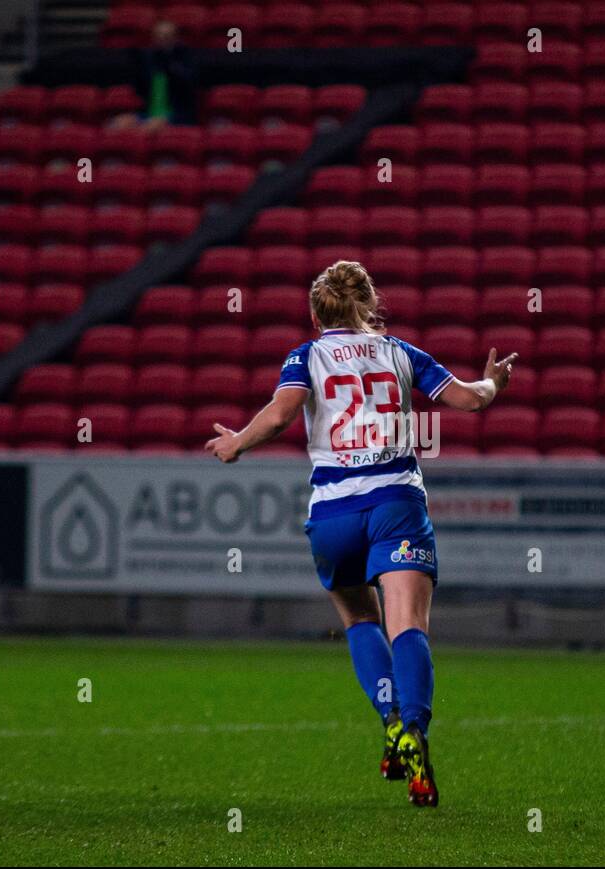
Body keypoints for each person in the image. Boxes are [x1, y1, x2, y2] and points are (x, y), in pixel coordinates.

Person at [206, 261, 518, 807]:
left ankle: (391, 720)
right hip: (395, 502)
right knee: (409, 626)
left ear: (313, 314)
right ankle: (415, 729)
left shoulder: (305, 355)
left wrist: (237, 442)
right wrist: (495, 380)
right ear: (370, 305)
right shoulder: (400, 351)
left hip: (334, 515)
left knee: (357, 618)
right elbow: (469, 399)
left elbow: (281, 416)